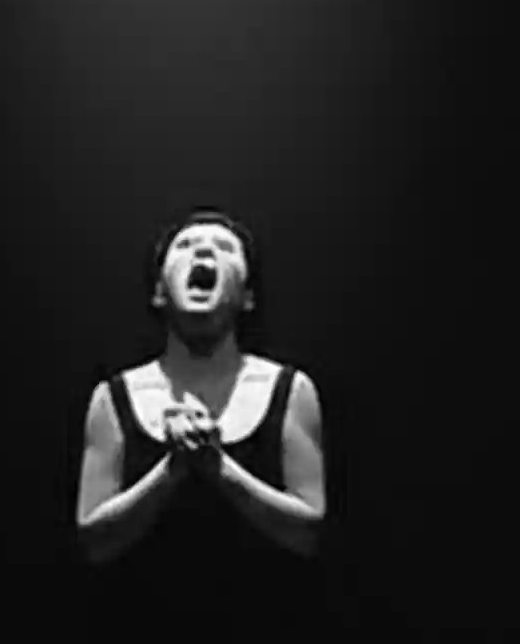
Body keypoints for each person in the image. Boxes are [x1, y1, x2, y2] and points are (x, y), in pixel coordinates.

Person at [73, 207, 328, 640]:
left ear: (248, 296)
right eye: (186, 246)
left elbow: (308, 533)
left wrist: (218, 468)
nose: (205, 249)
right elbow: (94, 541)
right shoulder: (112, 398)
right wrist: (172, 470)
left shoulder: (291, 389)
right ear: (158, 292)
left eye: (225, 248)